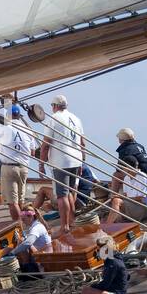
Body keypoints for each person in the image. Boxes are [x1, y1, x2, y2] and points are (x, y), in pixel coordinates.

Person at [39, 94, 87, 233]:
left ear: (54, 106)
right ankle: (72, 223)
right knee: (71, 192)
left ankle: (64, 226)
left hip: (62, 162)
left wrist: (41, 164)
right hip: (76, 160)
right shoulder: (76, 119)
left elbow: (45, 144)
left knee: (62, 195)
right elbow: (82, 143)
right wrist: (82, 162)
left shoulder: (53, 119)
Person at [61, 242, 128, 294]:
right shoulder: (113, 260)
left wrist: (91, 288)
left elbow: (105, 285)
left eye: (99, 250)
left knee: (86, 290)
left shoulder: (113, 263)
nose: (98, 252)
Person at [0, 104, 38, 224]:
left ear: (9, 116)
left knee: (12, 202)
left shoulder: (4, 128)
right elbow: (32, 152)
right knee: (20, 200)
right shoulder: (28, 129)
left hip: (9, 167)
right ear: (19, 116)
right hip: (24, 168)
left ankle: (19, 226)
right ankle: (25, 224)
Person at [108, 154, 147, 222]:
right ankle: (118, 225)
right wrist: (119, 196)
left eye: (122, 168)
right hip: (134, 206)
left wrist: (122, 198)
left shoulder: (142, 177)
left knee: (116, 201)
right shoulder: (126, 178)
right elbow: (126, 195)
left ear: (127, 167)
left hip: (144, 208)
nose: (121, 170)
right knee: (115, 201)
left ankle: (107, 227)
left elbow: (141, 199)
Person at [5, 205, 53, 271]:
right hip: (44, 254)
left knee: (22, 242)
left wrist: (12, 253)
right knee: (20, 242)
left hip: (45, 259)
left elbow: (28, 243)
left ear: (31, 217)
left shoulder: (36, 228)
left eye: (24, 219)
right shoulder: (36, 225)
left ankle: (27, 269)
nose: (23, 222)